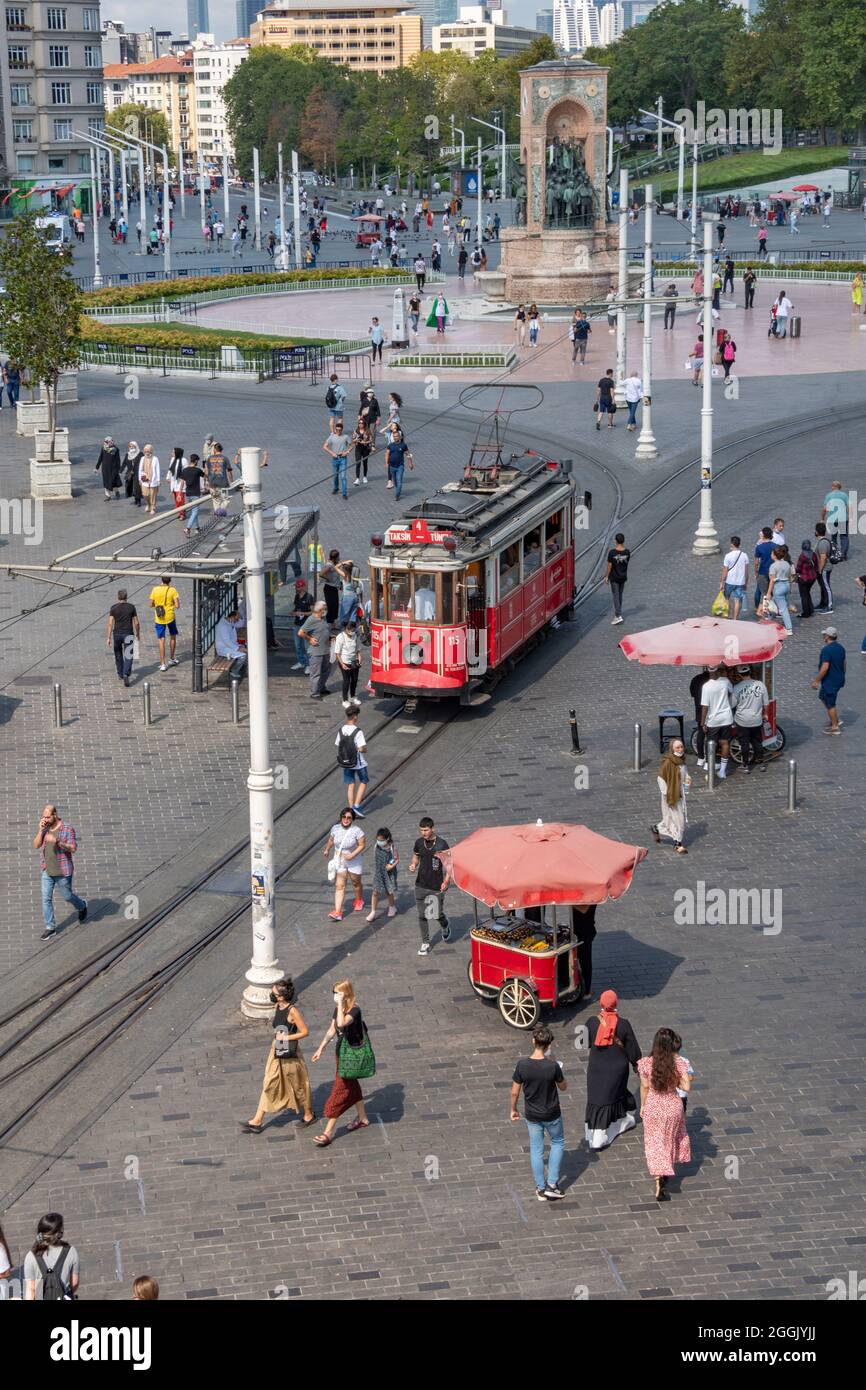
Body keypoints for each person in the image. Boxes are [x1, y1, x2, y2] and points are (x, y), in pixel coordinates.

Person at [240, 977, 315, 1132]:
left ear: (281, 996)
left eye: (274, 992)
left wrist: (285, 1037)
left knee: (299, 1085)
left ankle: (309, 1114)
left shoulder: (292, 1011)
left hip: (290, 1055)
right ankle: (257, 1120)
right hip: (277, 1050)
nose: (271, 994)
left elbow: (305, 1032)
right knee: (269, 1083)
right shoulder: (277, 1006)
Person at [511, 1024, 567, 1201]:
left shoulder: (522, 1065)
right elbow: (563, 1087)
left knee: (536, 1149)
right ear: (549, 1045)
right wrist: (557, 1066)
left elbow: (514, 1091)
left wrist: (513, 1109)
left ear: (533, 1040)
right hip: (552, 1113)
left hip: (532, 1115)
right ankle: (552, 1184)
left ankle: (541, 1188)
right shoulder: (552, 1067)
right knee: (557, 1142)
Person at [311, 980, 371, 1145]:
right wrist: (321, 1048)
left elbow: (341, 1024)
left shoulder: (355, 1010)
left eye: (337, 993)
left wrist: (339, 1005)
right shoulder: (339, 1008)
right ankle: (363, 1118)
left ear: (346, 993)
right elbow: (332, 1029)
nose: (334, 996)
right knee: (351, 1084)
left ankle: (328, 1132)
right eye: (334, 993)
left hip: (352, 1056)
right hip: (342, 1055)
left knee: (340, 1091)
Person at [638, 1029, 692, 1201]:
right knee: (669, 1139)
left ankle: (658, 1176)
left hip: (653, 1106)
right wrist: (674, 1079)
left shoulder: (646, 1063)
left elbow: (645, 1086)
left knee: (654, 1142)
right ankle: (665, 1171)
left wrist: (643, 1105)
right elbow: (686, 1087)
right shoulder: (678, 1064)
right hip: (672, 1107)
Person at [584, 990, 641, 1150]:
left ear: (601, 1004)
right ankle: (618, 1123)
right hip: (618, 1070)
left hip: (596, 1069)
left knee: (598, 1098)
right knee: (615, 1095)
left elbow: (580, 1043)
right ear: (616, 1003)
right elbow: (634, 1051)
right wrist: (637, 1065)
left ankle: (598, 1134)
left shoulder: (591, 1021)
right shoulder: (623, 1024)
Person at [34, 804, 87, 941]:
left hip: (62, 871)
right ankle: (50, 928)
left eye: (47, 816)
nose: (45, 819)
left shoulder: (67, 828)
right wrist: (40, 830)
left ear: (55, 815)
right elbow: (36, 845)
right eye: (43, 817)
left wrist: (57, 841)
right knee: (46, 899)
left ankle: (82, 905)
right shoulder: (45, 828)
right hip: (47, 870)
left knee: (67, 896)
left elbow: (73, 848)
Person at [409, 816, 450, 956]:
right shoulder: (419, 843)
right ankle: (425, 942)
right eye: (421, 830)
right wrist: (414, 864)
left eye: (426, 830)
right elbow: (415, 856)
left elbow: (449, 865)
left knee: (436, 914)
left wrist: (446, 881)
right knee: (422, 915)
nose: (423, 833)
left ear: (433, 828)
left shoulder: (442, 845)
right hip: (420, 884)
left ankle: (445, 924)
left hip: (436, 886)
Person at [23, 1214, 80, 1300]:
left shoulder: (31, 1256)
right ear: (59, 1233)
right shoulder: (71, 1251)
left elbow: (31, 1289)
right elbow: (74, 1283)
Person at [650, 737, 691, 853]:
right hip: (671, 796)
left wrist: (688, 779)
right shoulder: (669, 762)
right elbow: (660, 778)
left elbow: (685, 774)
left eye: (681, 746)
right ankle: (678, 843)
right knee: (679, 820)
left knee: (670, 819)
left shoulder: (682, 761)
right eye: (677, 747)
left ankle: (657, 828)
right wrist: (666, 792)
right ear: (672, 749)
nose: (680, 749)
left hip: (679, 794)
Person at [324, 807, 365, 920]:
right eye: (344, 817)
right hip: (340, 860)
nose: (346, 819)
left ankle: (358, 900)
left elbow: (362, 845)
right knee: (339, 886)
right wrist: (327, 849)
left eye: (349, 818)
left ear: (352, 819)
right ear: (341, 817)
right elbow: (331, 840)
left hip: (354, 861)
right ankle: (338, 912)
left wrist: (352, 855)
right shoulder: (335, 828)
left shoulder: (357, 831)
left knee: (356, 883)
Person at [731, 666, 769, 773]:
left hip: (742, 720)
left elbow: (732, 704)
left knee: (744, 743)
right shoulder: (760, 685)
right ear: (750, 672)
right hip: (756, 719)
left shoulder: (737, 688)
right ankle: (761, 763)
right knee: (757, 741)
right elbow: (766, 703)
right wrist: (765, 714)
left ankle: (745, 765)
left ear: (739, 675)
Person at [699, 664, 734, 778]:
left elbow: (705, 706)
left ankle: (710, 764)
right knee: (725, 743)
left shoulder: (706, 686)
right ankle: (722, 771)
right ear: (719, 671)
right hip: (726, 718)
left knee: (711, 744)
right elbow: (730, 692)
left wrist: (702, 722)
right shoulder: (725, 681)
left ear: (708, 671)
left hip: (713, 720)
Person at [812, 625, 845, 734]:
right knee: (822, 696)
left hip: (830, 681)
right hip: (838, 679)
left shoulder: (827, 650)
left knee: (830, 703)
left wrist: (817, 680)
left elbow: (825, 667)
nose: (823, 636)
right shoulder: (841, 648)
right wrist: (842, 674)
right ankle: (834, 718)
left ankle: (835, 727)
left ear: (827, 637)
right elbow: (844, 664)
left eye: (824, 635)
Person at [107, 588, 140, 688]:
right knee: (129, 655)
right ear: (126, 597)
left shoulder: (113, 608)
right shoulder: (131, 607)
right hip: (128, 634)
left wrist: (108, 637)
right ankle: (126, 673)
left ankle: (120, 674)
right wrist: (138, 634)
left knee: (118, 654)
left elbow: (110, 624)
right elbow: (137, 622)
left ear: (118, 597)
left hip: (117, 634)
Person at [298, 598, 331, 699]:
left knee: (326, 671)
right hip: (316, 651)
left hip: (325, 649)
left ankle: (321, 688)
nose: (326, 610)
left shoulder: (323, 618)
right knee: (315, 673)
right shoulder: (311, 619)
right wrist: (310, 639)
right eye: (324, 608)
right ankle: (314, 693)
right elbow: (300, 632)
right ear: (320, 610)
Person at [149, 574, 180, 672]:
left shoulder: (155, 589)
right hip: (170, 617)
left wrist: (158, 604)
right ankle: (172, 658)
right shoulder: (173, 590)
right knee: (173, 636)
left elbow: (150, 604)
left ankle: (162, 663)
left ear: (161, 580)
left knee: (161, 640)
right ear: (169, 581)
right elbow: (177, 605)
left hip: (159, 618)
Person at [367, 827, 398, 922]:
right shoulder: (376, 846)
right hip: (379, 872)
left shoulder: (392, 847)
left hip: (389, 873)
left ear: (387, 839)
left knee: (389, 891)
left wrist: (391, 865)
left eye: (382, 840)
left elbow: (396, 859)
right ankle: (373, 911)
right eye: (378, 840)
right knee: (375, 892)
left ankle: (392, 907)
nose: (379, 842)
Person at [335, 620, 362, 710]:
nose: (351, 632)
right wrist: (342, 664)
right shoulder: (340, 637)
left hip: (354, 661)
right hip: (344, 661)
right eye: (349, 630)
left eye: (353, 630)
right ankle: (345, 700)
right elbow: (337, 653)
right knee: (346, 680)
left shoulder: (355, 636)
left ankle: (352, 696)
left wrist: (359, 657)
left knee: (354, 680)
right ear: (346, 629)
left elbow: (358, 649)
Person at [767, 545, 793, 634]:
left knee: (783, 609)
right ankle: (770, 618)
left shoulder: (773, 566)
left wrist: (769, 593)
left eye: (771, 553)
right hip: (786, 585)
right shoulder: (787, 564)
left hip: (778, 587)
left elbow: (772, 581)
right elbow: (790, 577)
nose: (771, 554)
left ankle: (789, 628)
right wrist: (790, 588)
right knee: (774, 603)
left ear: (774, 555)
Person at [721, 535, 748, 620]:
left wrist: (722, 582)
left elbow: (725, 571)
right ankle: (735, 619)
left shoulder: (728, 556)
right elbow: (746, 571)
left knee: (726, 599)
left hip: (729, 581)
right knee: (737, 600)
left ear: (731, 544)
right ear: (739, 544)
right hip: (740, 582)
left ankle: (727, 616)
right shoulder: (744, 556)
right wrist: (746, 582)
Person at [605, 532, 630, 624]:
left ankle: (618, 615)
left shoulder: (612, 552)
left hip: (614, 577)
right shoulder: (627, 552)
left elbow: (609, 565)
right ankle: (618, 614)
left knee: (615, 595)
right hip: (623, 577)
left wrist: (607, 576)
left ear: (616, 541)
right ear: (623, 541)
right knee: (619, 595)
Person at [323, 420, 352, 499]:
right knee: (335, 476)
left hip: (343, 458)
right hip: (335, 458)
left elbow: (352, 445)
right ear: (335, 429)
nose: (338, 431)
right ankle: (336, 488)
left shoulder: (345, 437)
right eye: (337, 430)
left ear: (342, 430)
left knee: (343, 477)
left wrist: (347, 451)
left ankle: (344, 493)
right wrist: (332, 453)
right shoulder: (332, 437)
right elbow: (324, 446)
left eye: (340, 430)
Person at [822, 480, 850, 562]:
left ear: (833, 487)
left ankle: (835, 553)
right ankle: (843, 555)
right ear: (840, 487)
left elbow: (824, 509)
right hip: (843, 519)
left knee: (833, 537)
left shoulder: (829, 496)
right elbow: (849, 507)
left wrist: (822, 518)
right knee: (844, 537)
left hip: (832, 520)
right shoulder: (844, 495)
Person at [290, 577, 313, 672]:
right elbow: (295, 609)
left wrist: (303, 614)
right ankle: (301, 662)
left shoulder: (309, 597)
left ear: (303, 587)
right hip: (297, 624)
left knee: (306, 646)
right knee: (297, 645)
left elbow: (312, 612)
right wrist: (294, 613)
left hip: (306, 625)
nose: (297, 588)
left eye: (298, 587)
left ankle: (308, 664)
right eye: (296, 587)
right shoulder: (296, 596)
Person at [180, 452, 205, 537]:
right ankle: (188, 528)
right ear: (196, 461)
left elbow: (182, 482)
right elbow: (205, 476)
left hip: (188, 493)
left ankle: (197, 528)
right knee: (195, 512)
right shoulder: (198, 470)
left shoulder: (185, 470)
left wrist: (180, 493)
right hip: (196, 493)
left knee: (195, 511)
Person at [204, 442, 232, 516]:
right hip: (223, 483)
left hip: (212, 483)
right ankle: (221, 511)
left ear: (215, 450)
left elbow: (206, 472)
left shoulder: (209, 459)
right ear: (221, 449)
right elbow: (229, 471)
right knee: (226, 499)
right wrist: (232, 481)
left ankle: (217, 514)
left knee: (216, 500)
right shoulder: (225, 458)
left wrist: (207, 482)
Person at [385, 428, 413, 501]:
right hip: (392, 466)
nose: (395, 438)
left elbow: (408, 454)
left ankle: (397, 495)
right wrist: (386, 463)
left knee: (399, 481)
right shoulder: (390, 445)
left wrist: (410, 463)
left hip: (400, 466)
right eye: (394, 437)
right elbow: (387, 454)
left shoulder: (403, 445)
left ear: (400, 437)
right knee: (395, 482)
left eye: (397, 436)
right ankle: (398, 490)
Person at [794, 539, 818, 620]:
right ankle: (811, 609)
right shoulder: (813, 554)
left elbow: (798, 568)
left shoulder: (802, 556)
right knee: (807, 593)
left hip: (804, 578)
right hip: (812, 577)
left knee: (804, 595)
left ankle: (806, 613)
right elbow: (816, 565)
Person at [814, 521, 834, 613]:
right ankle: (823, 603)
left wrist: (820, 569)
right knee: (823, 586)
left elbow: (823, 557)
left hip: (825, 568)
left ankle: (829, 606)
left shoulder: (822, 543)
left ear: (817, 532)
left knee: (826, 586)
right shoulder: (823, 541)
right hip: (823, 568)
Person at [95, 436, 122, 501]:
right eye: (109, 441)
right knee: (106, 482)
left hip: (113, 468)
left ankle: (116, 491)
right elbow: (100, 458)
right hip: (105, 468)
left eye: (112, 441)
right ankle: (108, 496)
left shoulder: (116, 449)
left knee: (113, 481)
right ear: (106, 442)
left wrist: (119, 469)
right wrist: (97, 467)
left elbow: (118, 460)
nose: (111, 442)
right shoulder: (103, 448)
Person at [138, 444, 160, 515]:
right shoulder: (142, 458)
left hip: (153, 480)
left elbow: (157, 469)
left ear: (151, 451)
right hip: (144, 479)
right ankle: (148, 504)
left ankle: (153, 507)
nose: (147, 452)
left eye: (148, 451)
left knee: (153, 495)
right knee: (145, 494)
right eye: (145, 451)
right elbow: (140, 469)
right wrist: (140, 479)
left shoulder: (155, 459)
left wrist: (158, 479)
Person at [352, 416, 373, 487]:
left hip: (365, 449)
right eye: (359, 423)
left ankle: (364, 476)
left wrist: (366, 442)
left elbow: (371, 439)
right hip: (358, 448)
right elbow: (353, 440)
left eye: (362, 423)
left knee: (365, 463)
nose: (360, 424)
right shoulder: (356, 431)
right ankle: (357, 478)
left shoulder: (368, 431)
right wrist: (356, 440)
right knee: (358, 463)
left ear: (364, 424)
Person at [167, 446, 187, 511]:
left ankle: (182, 514)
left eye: (173, 452)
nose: (171, 453)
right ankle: (179, 511)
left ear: (177, 453)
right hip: (173, 482)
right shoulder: (173, 459)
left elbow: (185, 472)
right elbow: (170, 469)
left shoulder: (184, 461)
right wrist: (168, 477)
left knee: (180, 498)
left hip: (180, 482)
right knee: (176, 498)